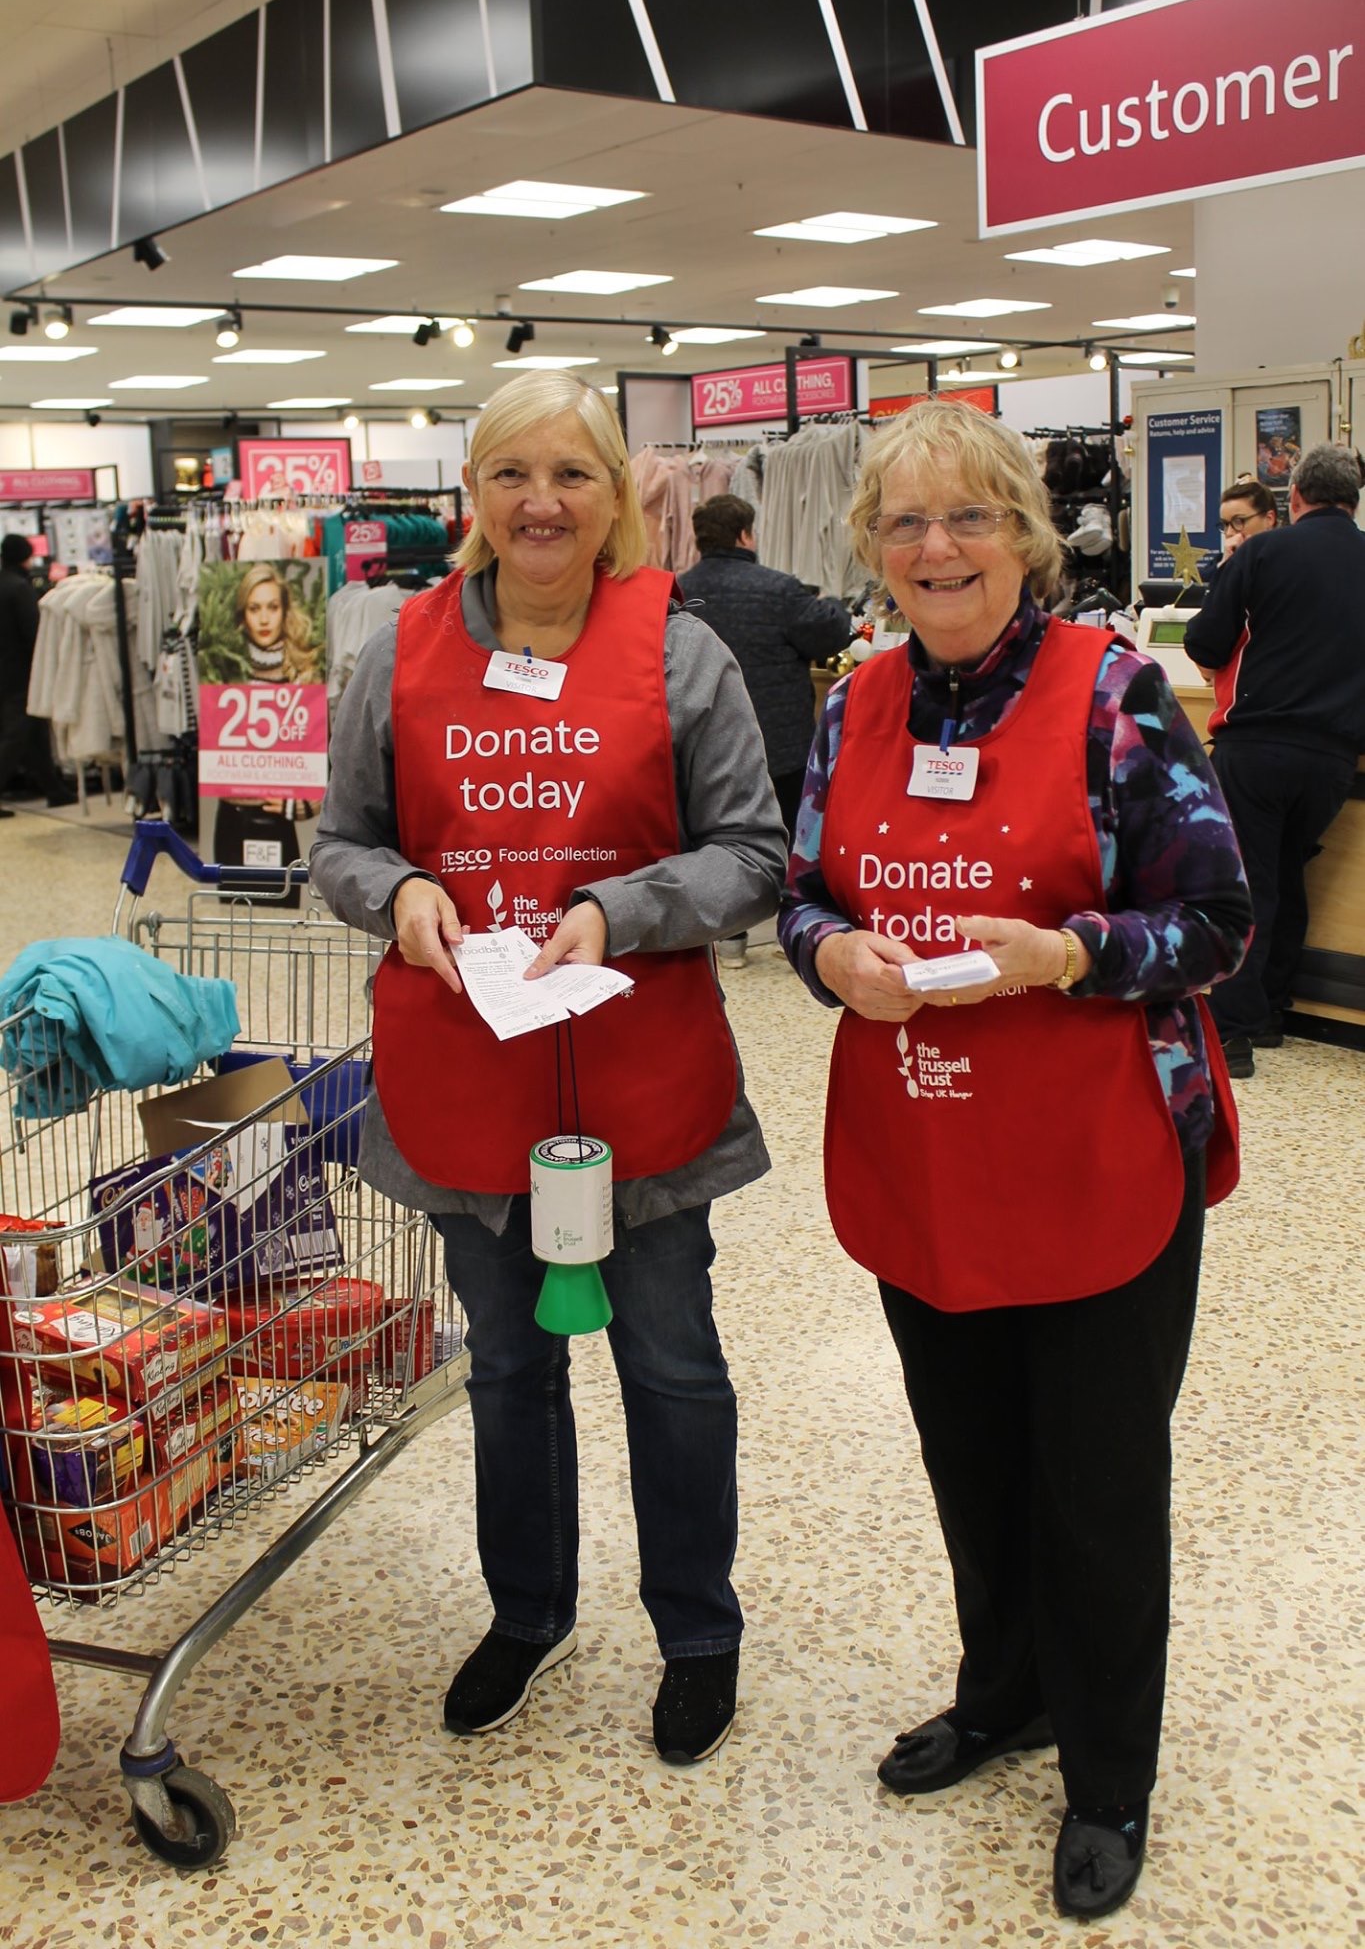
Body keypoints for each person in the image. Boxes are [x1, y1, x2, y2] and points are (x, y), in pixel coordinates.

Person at [778, 399, 1251, 1921]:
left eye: (970, 516)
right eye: (906, 523)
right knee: (971, 1461)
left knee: (1095, 1483)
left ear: (1025, 537)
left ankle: (1110, 1774)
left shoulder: (1113, 695)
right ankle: (1005, 1697)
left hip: (1098, 1153)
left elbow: (1218, 917)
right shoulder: (853, 708)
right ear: (870, 549)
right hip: (924, 1145)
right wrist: (830, 948)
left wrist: (1068, 949)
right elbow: (797, 894)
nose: (938, 547)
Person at [311, 372, 785, 1767]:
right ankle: (528, 1611)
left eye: (571, 475)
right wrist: (394, 894)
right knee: (509, 1367)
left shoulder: (677, 653)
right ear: (472, 499)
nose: (540, 502)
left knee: (673, 1367)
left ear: (614, 500)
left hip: (641, 1081)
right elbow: (339, 843)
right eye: (511, 474)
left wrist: (619, 909)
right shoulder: (395, 654)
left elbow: (754, 854)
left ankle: (697, 1632)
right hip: (470, 1074)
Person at [1184, 442, 1365, 1076]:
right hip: (1336, 756)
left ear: (1294, 498)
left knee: (1249, 881)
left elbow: (1203, 638)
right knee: (1289, 876)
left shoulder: (1264, 552)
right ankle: (1273, 1010)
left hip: (1257, 745)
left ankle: (1233, 1032)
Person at [680, 493, 851, 966]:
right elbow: (831, 633)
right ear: (746, 535)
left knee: (715, 839)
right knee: (791, 836)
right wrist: (833, 602)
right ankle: (790, 930)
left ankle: (729, 939)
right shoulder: (778, 589)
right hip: (779, 739)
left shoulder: (675, 592)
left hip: (704, 744)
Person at [211, 563, 320, 886]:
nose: (263, 618)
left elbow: (326, 753)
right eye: (254, 608)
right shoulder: (223, 669)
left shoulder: (304, 671)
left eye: (272, 607)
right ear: (242, 613)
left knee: (279, 909)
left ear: (285, 610)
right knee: (227, 914)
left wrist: (304, 805)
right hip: (228, 818)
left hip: (277, 820)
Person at [0, 534, 73, 814]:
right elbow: (34, 633)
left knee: (33, 733)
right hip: (21, 672)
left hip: (5, 671)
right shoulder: (19, 588)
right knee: (16, 735)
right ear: (25, 557)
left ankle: (54, 789)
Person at [1196, 476, 1278, 589]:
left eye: (1238, 521)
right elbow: (1197, 589)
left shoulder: (1287, 560)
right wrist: (1225, 565)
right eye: (1225, 524)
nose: (1229, 533)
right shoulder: (1223, 560)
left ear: (1269, 519)